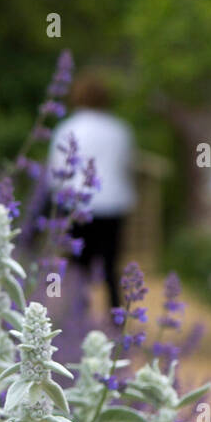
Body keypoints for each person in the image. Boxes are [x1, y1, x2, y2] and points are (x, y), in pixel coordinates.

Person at [48, 71, 136, 318]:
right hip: (113, 204)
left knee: (78, 265)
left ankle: (77, 318)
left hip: (76, 204)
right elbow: (127, 165)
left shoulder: (66, 128)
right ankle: (116, 319)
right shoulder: (120, 129)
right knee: (111, 264)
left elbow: (55, 173)